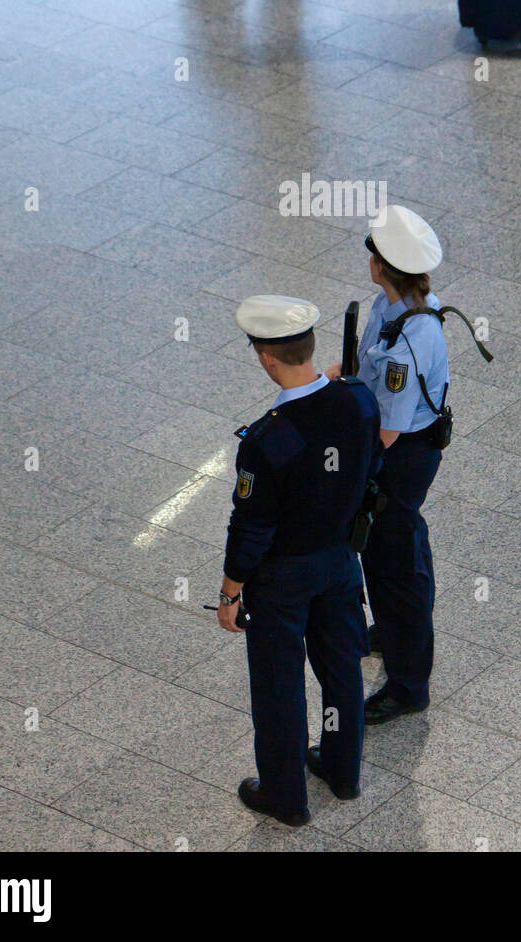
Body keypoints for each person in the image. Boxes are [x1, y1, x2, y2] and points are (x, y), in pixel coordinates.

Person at [218, 295, 382, 826]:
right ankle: (342, 769)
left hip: (283, 578)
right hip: (340, 561)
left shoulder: (268, 440)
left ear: (267, 359)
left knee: (279, 684)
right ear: (311, 347)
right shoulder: (358, 400)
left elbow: (251, 528)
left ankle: (286, 796)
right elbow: (368, 466)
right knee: (341, 669)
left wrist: (229, 593)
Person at [327, 206, 449, 726]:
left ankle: (407, 684)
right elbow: (364, 362)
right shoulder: (396, 305)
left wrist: (349, 466)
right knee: (404, 538)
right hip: (399, 441)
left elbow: (389, 431)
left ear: (381, 264)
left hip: (401, 454)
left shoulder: (408, 344)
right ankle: (403, 628)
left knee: (391, 560)